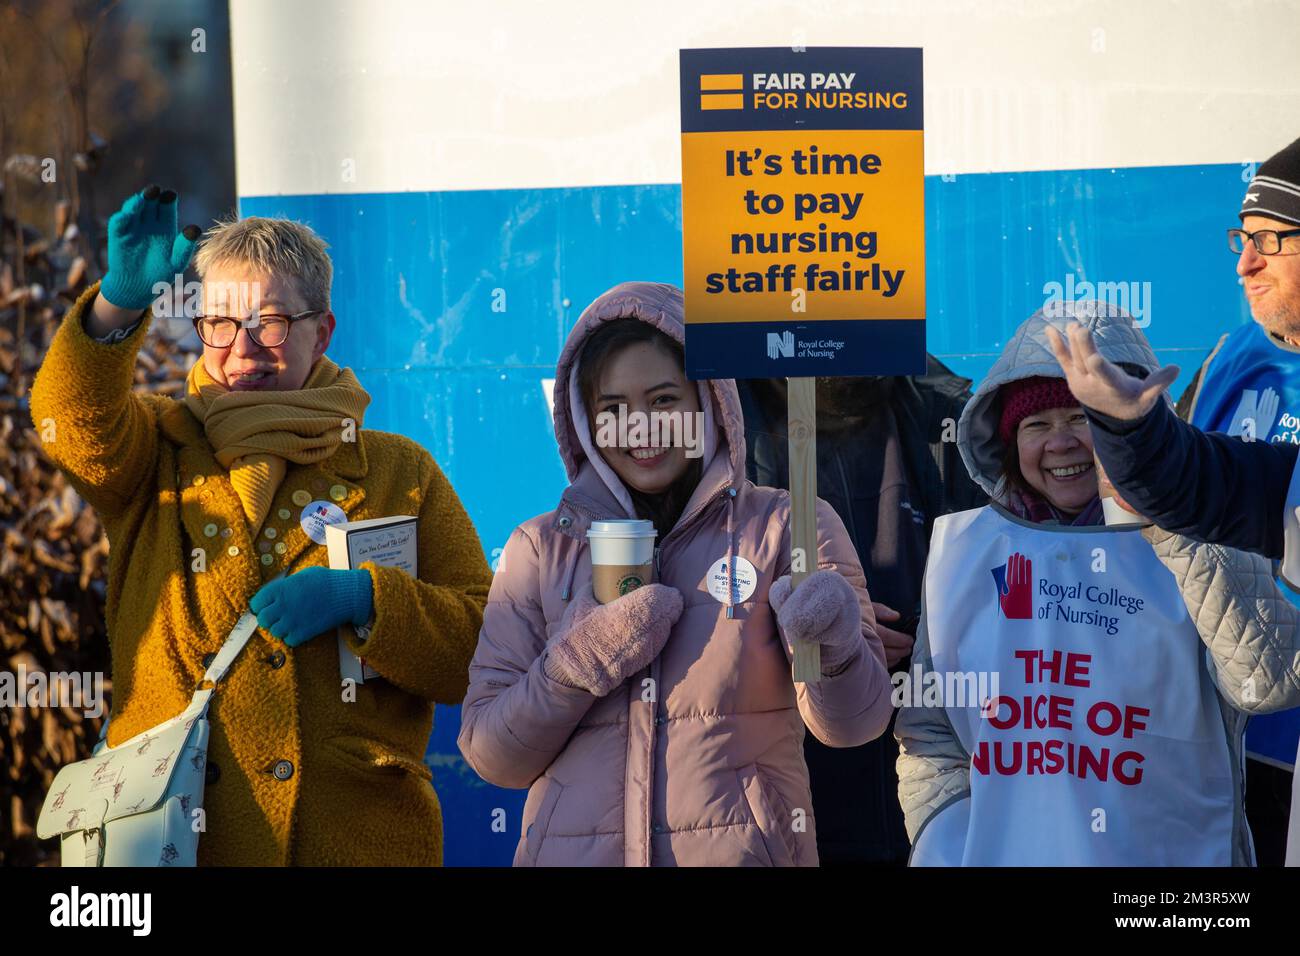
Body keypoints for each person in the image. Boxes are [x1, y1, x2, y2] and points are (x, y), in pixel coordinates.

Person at [30, 186, 493, 865]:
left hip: (354, 843)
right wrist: (117, 305)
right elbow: (66, 422)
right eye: (219, 323)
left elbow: (480, 648)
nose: (242, 349)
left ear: (322, 331)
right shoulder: (156, 448)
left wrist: (367, 601)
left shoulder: (400, 471)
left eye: (270, 322)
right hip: (175, 841)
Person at [457, 281, 894, 866]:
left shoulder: (787, 526)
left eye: (664, 399)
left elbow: (856, 724)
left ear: (707, 403)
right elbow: (493, 757)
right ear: (586, 421)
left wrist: (835, 647)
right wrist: (573, 667)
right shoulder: (540, 548)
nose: (640, 427)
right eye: (613, 409)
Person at [896, 301, 1300, 865]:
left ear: (1131, 428)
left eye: (1083, 419)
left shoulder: (1202, 534)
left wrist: (1165, 510)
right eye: (1037, 424)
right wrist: (945, 838)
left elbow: (1271, 683)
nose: (1059, 444)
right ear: (1010, 444)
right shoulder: (967, 552)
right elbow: (933, 736)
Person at [736, 364, 985, 864]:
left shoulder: (944, 412)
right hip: (777, 787)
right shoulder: (721, 412)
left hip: (922, 772)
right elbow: (692, 585)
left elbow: (995, 578)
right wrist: (810, 626)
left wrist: (921, 629)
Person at [1171, 135, 1300, 862]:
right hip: (1223, 744)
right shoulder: (1231, 356)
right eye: (1241, 240)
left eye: (1269, 241)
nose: (1244, 263)